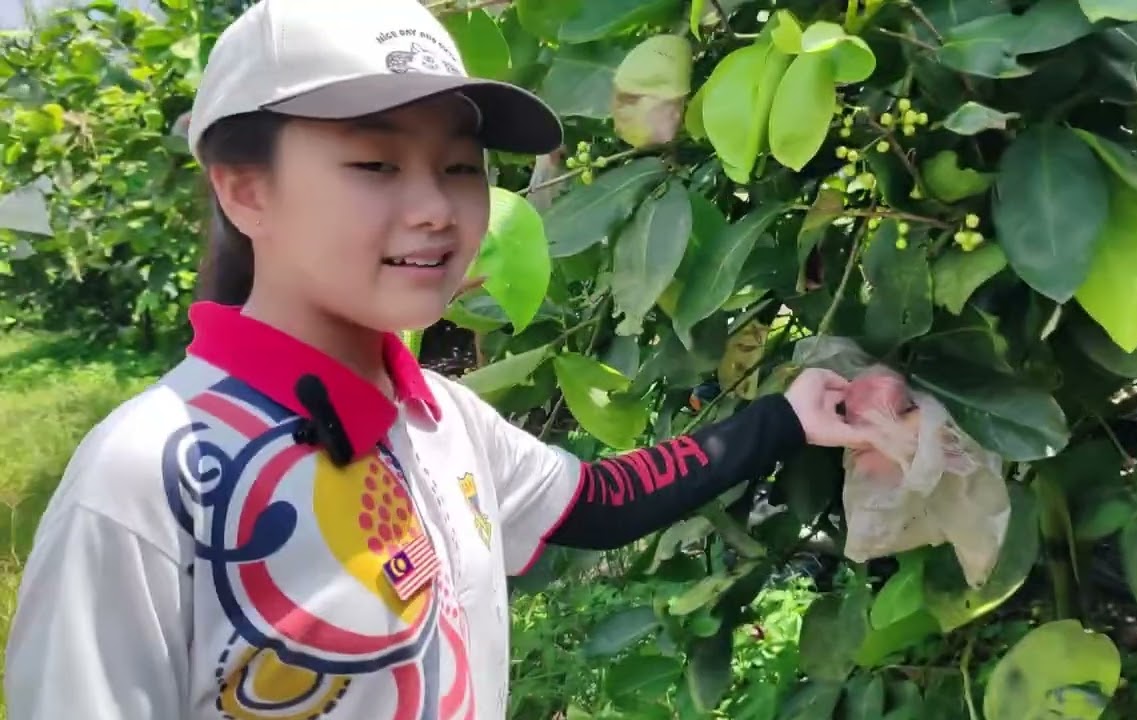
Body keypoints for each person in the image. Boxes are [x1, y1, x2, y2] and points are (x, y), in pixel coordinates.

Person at [3, 1, 877, 718]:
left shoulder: (439, 417)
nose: (435, 208)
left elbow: (596, 501)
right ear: (245, 189)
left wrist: (786, 418)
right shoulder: (148, 477)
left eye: (460, 167)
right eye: (375, 163)